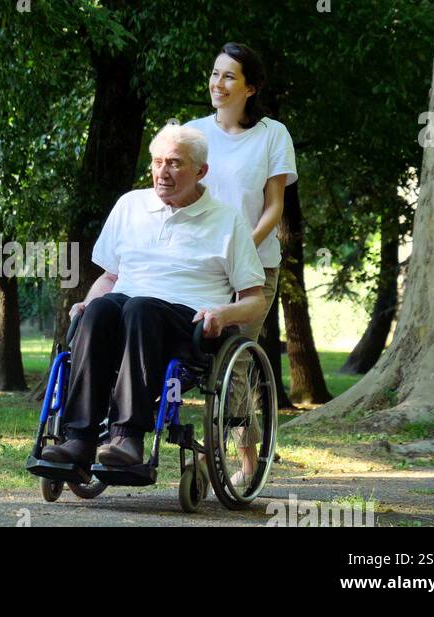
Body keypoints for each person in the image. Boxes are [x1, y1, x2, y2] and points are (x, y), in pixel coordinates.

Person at [40, 124, 267, 470]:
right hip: (127, 315)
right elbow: (110, 277)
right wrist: (87, 302)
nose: (163, 172)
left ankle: (127, 436)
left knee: (140, 307)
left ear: (201, 171)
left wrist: (222, 314)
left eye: (175, 163)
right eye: (157, 162)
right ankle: (79, 439)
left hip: (186, 325)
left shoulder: (227, 221)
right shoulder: (129, 206)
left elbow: (255, 299)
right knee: (100, 309)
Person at [183, 42, 297, 488]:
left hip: (254, 268)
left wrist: (241, 250)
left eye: (229, 76)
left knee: (232, 359)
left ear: (250, 87)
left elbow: (273, 208)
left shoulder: (273, 135)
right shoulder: (193, 133)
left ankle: (244, 458)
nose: (218, 83)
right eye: (215, 74)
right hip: (199, 267)